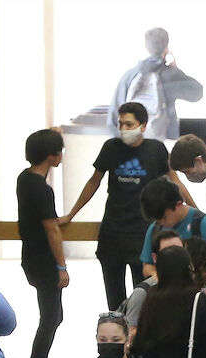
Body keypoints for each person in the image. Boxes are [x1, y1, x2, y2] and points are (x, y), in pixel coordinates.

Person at [64, 101, 170, 309]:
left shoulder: (155, 149)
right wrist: (71, 215)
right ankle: (115, 340)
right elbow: (93, 182)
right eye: (121, 124)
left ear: (143, 126)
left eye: (129, 124)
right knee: (115, 302)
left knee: (143, 299)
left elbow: (173, 182)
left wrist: (195, 212)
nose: (124, 129)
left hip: (143, 234)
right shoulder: (111, 148)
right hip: (113, 234)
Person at [16, 129, 70, 358]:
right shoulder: (41, 188)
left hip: (31, 257)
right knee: (51, 316)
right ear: (52, 155)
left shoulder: (24, 179)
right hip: (44, 261)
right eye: (60, 149)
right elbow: (51, 230)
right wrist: (62, 267)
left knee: (51, 316)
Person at [108, 28, 201, 144]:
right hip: (161, 144)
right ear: (166, 48)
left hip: (132, 146)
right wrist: (176, 70)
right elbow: (197, 93)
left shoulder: (130, 76)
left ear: (146, 47)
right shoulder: (170, 74)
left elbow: (113, 117)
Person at [137, 176, 206, 283]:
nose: (161, 223)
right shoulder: (155, 229)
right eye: (158, 220)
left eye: (164, 218)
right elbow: (147, 266)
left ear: (178, 205)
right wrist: (156, 275)